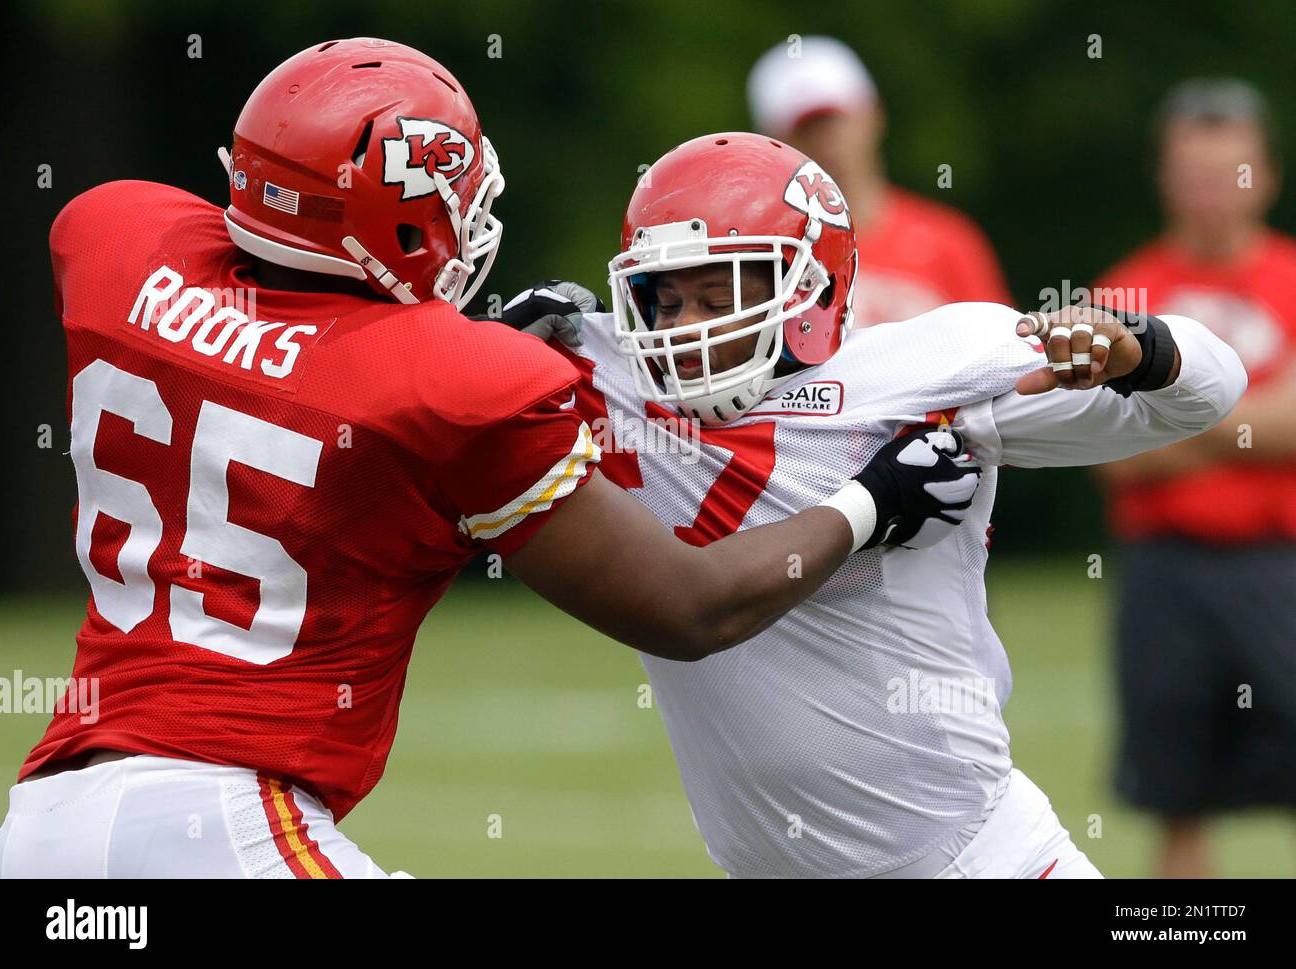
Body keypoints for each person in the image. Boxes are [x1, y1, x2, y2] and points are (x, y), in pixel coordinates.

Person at [0, 41, 980, 879]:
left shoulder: (117, 240)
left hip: (44, 821)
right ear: (392, 218)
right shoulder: (450, 381)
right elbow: (689, 607)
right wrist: (870, 502)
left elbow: (248, 296)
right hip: (225, 824)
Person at [511, 131, 1248, 877]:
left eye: (719, 294)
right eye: (664, 298)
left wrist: (1139, 346)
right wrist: (490, 353)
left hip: (976, 858)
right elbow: (413, 402)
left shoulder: (915, 373)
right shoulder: (599, 381)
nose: (682, 329)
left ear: (810, 289)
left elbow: (1211, 393)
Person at [1093, 79, 1296, 878]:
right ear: (1165, 179)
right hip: (1164, 572)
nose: (1214, 194)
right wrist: (1256, 424)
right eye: (1196, 174)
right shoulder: (1121, 295)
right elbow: (1108, 453)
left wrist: (1170, 419)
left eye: (1233, 174)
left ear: (1268, 177)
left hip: (1280, 567)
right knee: (1174, 795)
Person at [747, 35, 1010, 326]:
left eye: (834, 121)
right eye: (805, 130)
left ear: (874, 114)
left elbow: (998, 350)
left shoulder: (948, 241)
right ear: (774, 144)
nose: (826, 142)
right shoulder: (763, 257)